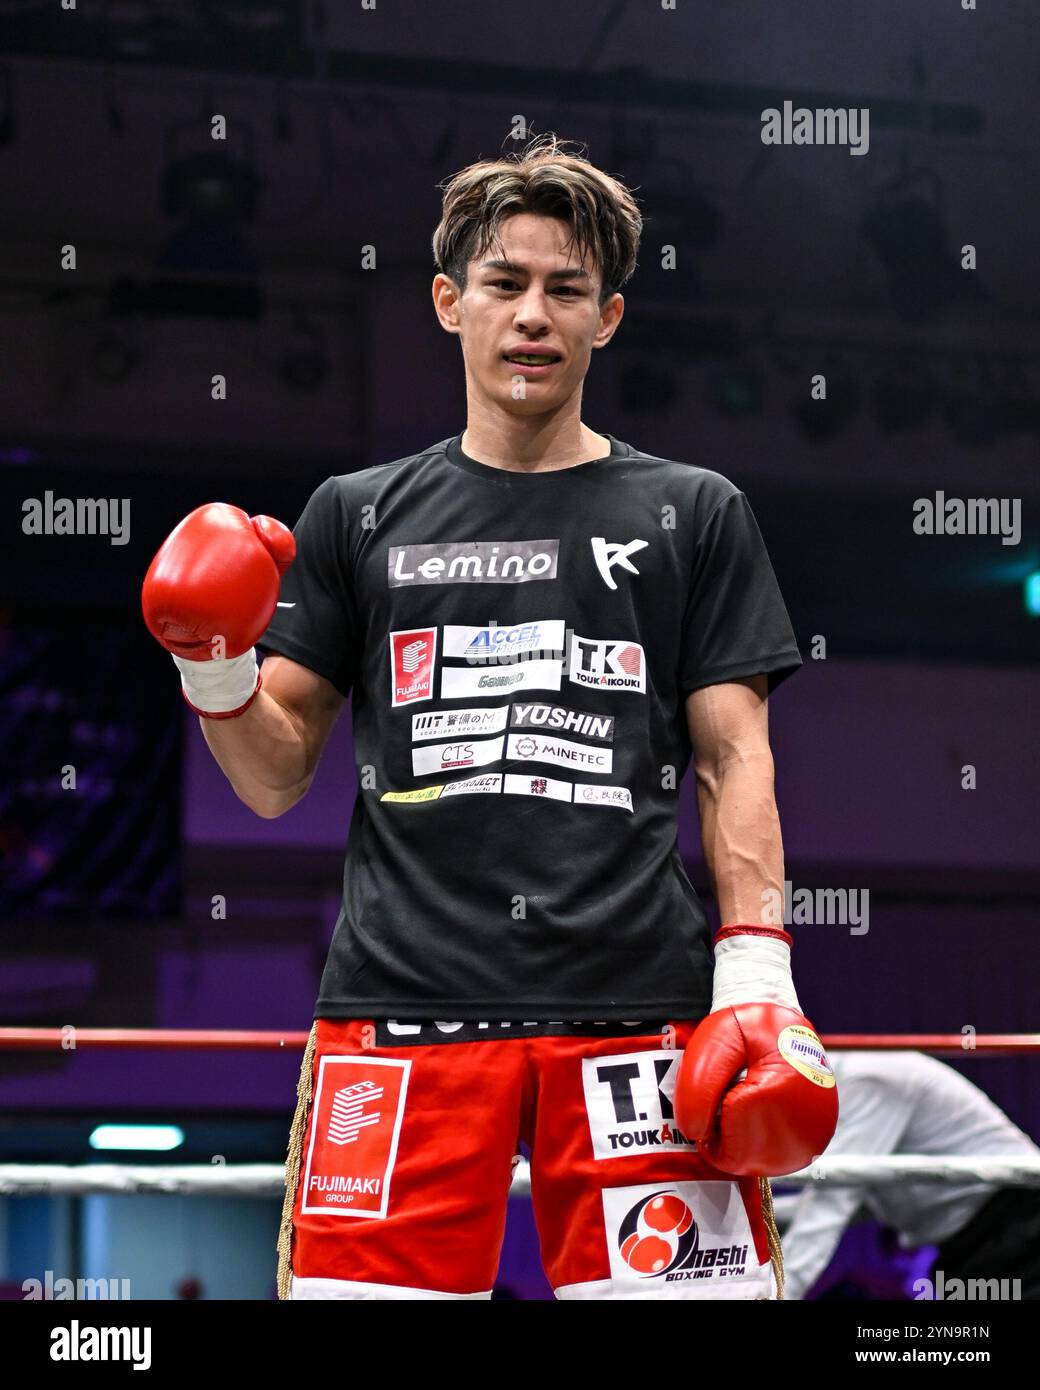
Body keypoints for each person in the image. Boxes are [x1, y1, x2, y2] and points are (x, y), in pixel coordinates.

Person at [141, 133, 835, 1301]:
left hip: (638, 1012)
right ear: (447, 300)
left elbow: (733, 757)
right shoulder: (357, 515)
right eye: (504, 283)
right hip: (404, 1011)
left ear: (606, 318)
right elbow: (270, 778)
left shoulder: (692, 511)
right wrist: (211, 664)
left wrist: (756, 977)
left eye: (565, 289)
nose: (532, 314)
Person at [774, 1050, 1040, 1300]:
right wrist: (752, 1217)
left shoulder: (869, 1078)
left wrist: (779, 1295)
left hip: (1018, 1224)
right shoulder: (840, 1090)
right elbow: (851, 1204)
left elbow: (828, 1208)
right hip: (977, 1243)